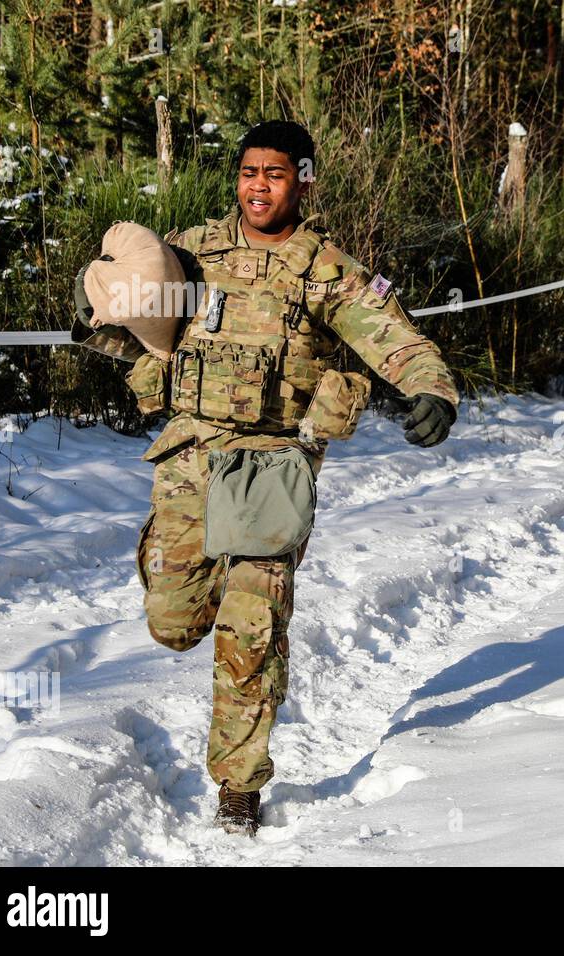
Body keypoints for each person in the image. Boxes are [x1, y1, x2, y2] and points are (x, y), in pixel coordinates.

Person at [70, 120, 459, 836]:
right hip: (190, 456)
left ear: (303, 180)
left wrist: (432, 389)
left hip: (272, 465)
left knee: (251, 623)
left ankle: (238, 786)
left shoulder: (330, 271)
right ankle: (178, 563)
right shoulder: (193, 252)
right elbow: (137, 326)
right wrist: (95, 314)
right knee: (174, 624)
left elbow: (394, 334)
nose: (259, 187)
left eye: (275, 175)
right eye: (249, 173)